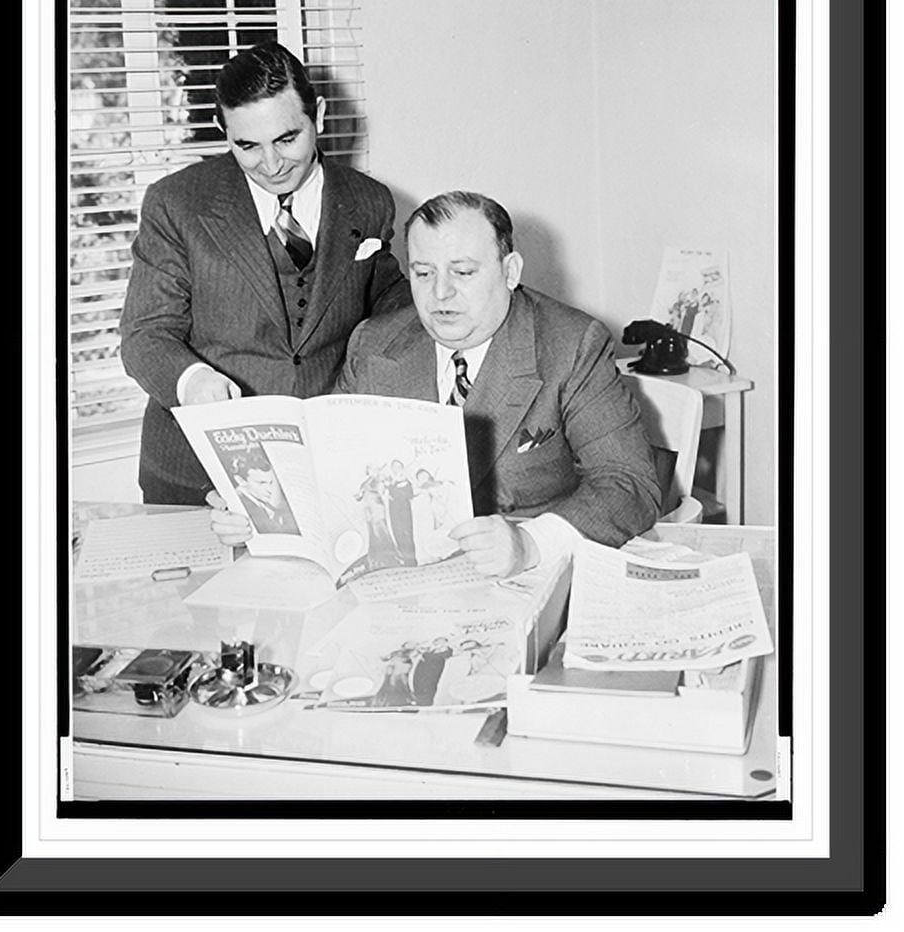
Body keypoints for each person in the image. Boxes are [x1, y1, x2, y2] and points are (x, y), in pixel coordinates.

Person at [212, 191, 662, 577]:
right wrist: (263, 512)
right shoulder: (375, 344)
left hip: (524, 573)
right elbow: (331, 476)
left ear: (510, 271)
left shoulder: (571, 343)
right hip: (402, 580)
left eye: (463, 273)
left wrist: (531, 545)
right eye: (424, 273)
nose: (440, 294)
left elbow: (629, 483)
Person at [120, 41, 411, 505]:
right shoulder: (176, 204)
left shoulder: (370, 200)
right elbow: (144, 334)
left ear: (318, 114)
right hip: (195, 472)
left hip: (322, 468)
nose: (272, 165)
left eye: (287, 139)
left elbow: (392, 306)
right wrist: (193, 382)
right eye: (247, 146)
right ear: (222, 129)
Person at [229, 450, 300, 535]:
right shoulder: (237, 503)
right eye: (261, 483)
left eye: (271, 483)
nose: (270, 489)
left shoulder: (269, 503)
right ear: (241, 481)